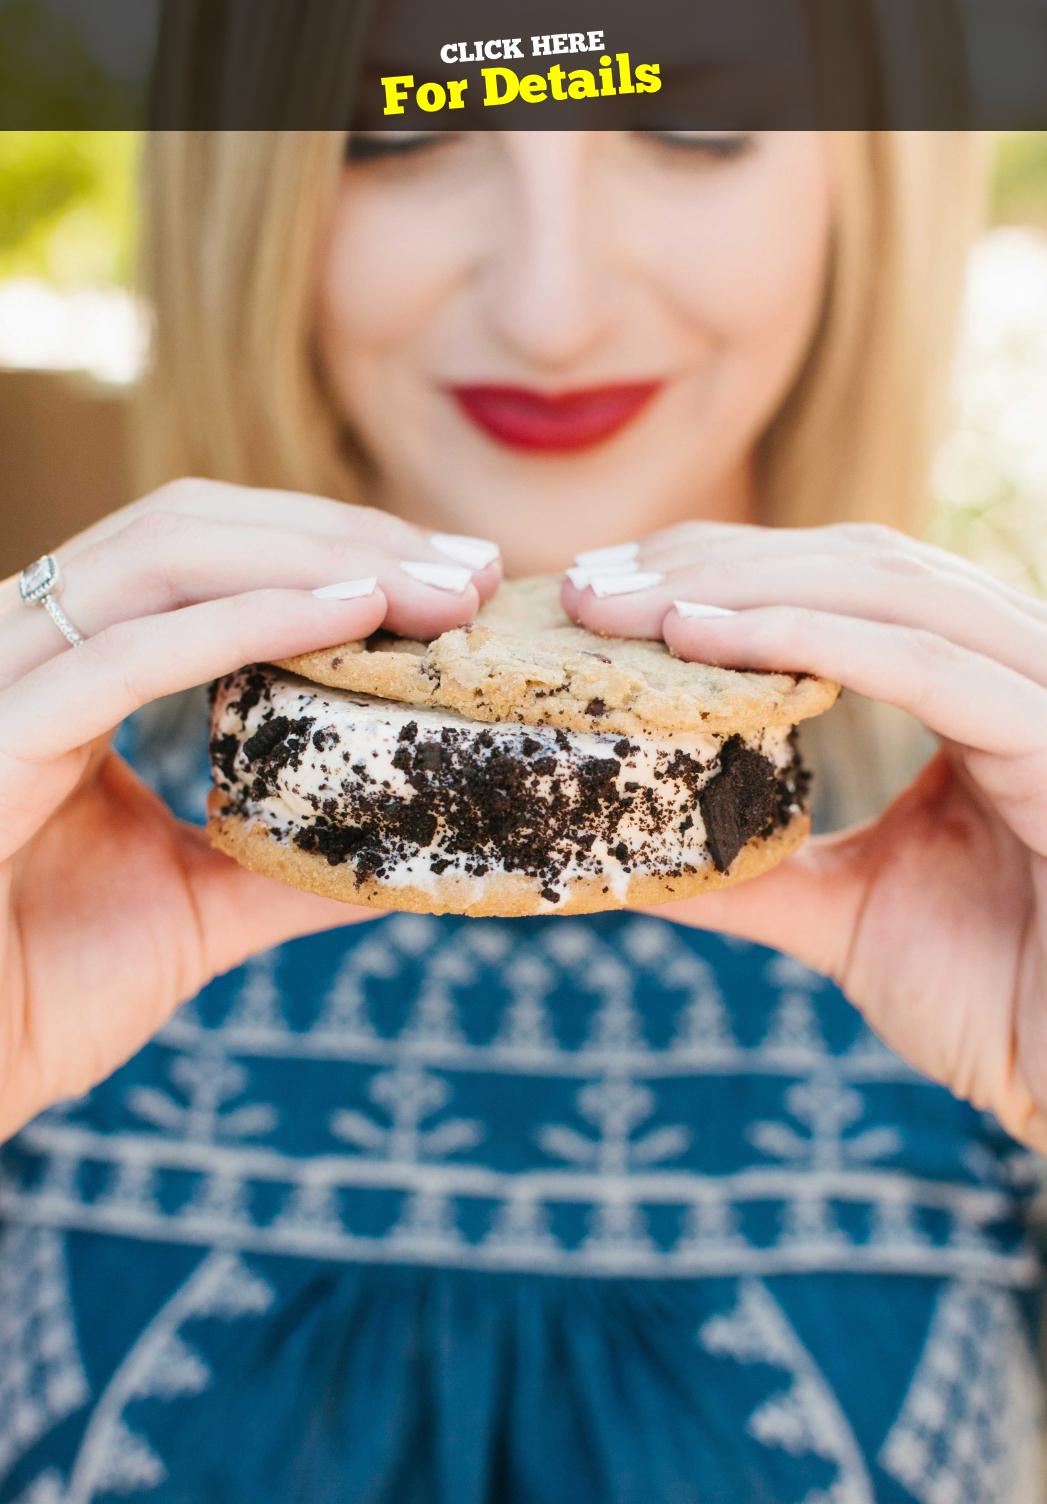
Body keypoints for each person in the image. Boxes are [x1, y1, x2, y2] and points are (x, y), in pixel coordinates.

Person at [1, 120, 1046, 1503]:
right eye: (397, 131)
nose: (551, 312)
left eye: (693, 125)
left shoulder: (1007, 885)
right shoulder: (40, 861)